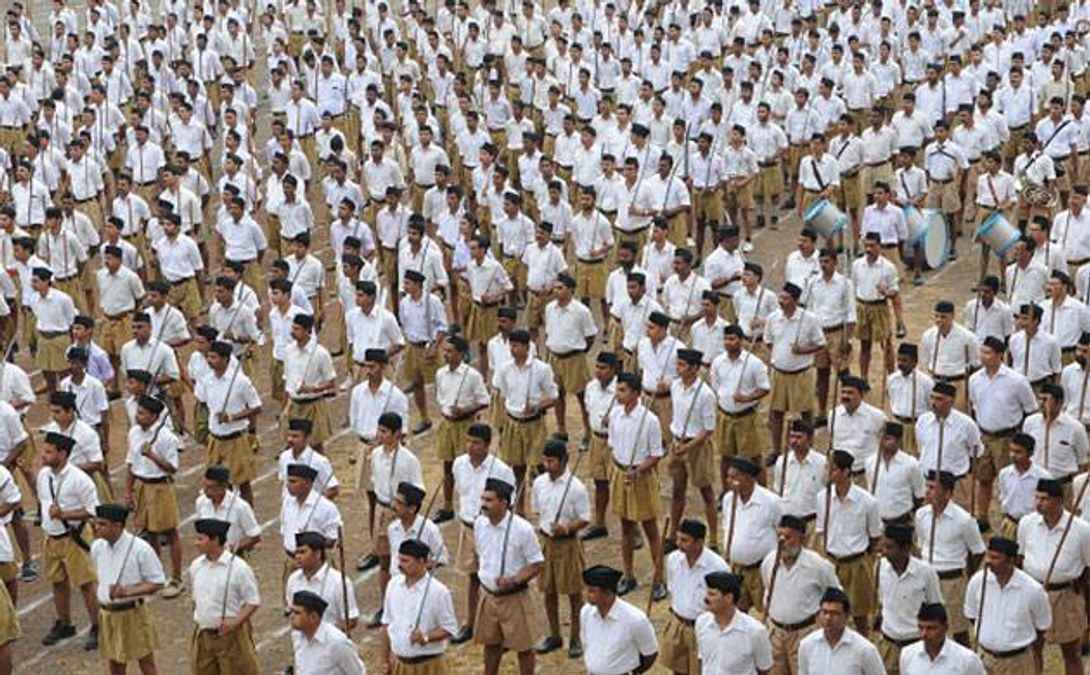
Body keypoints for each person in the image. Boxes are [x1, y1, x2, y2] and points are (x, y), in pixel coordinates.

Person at [1017, 478, 1090, 675]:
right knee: (1032, 648)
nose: (1039, 503)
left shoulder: (1081, 530)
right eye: (1037, 498)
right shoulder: (1026, 523)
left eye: (1045, 499)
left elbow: (1088, 568)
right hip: (1033, 592)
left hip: (1065, 596)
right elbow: (1020, 557)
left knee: (1071, 652)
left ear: (1059, 501)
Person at [450, 423, 515, 644]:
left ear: (487, 445)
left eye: (476, 442)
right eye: (468, 441)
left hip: (492, 528)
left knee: (496, 579)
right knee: (472, 577)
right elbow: (462, 493)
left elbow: (510, 505)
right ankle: (471, 622)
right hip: (469, 527)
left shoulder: (501, 470)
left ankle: (504, 630)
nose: (470, 446)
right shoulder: (459, 464)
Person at [473, 477, 545, 675]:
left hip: (515, 597)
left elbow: (537, 563)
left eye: (489, 500)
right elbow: (482, 554)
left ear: (504, 503)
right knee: (491, 644)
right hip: (488, 595)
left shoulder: (522, 529)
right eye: (483, 499)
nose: (484, 505)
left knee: (524, 647)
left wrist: (514, 579)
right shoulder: (479, 524)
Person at [38, 431, 100, 650]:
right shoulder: (43, 475)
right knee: (57, 582)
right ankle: (65, 623)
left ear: (63, 454)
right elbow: (43, 502)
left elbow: (93, 511)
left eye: (48, 451)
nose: (43, 455)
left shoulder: (80, 479)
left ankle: (97, 626)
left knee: (85, 584)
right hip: (51, 536)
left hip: (74, 537)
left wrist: (64, 515)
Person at [608, 371, 666, 599]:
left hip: (641, 477)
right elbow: (613, 445)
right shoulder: (614, 415)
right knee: (625, 528)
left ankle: (659, 579)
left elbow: (656, 454)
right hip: (621, 473)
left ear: (635, 393)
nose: (618, 395)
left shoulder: (649, 420)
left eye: (623, 390)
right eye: (617, 389)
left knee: (651, 530)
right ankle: (628, 574)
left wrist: (638, 470)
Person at [90, 503, 166, 675]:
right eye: (97, 523)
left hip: (133, 613)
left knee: (146, 662)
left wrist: (127, 592)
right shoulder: (97, 547)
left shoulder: (140, 549)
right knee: (115, 663)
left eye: (102, 524)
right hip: (108, 614)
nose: (97, 527)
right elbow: (98, 576)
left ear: (117, 525)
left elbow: (158, 582)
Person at [531, 438, 590, 657]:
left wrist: (566, 528)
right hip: (547, 541)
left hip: (568, 544)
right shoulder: (539, 483)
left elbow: (585, 518)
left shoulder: (576, 488)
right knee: (548, 590)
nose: (547, 465)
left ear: (564, 461)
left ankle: (575, 637)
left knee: (574, 592)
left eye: (551, 461)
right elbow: (537, 510)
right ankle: (554, 634)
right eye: (545, 460)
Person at [914, 470, 985, 646]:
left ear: (947, 493)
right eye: (927, 487)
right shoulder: (921, 515)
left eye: (933, 488)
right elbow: (922, 544)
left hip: (952, 580)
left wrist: (965, 574)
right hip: (927, 578)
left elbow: (977, 551)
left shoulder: (964, 520)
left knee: (958, 630)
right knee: (926, 629)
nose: (928, 492)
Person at [815, 450, 882, 635]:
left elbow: (875, 536)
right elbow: (821, 530)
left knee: (860, 615)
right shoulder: (823, 498)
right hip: (832, 562)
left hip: (857, 563)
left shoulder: (868, 502)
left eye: (833, 469)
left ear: (846, 472)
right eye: (828, 468)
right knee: (829, 614)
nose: (829, 473)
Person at [124, 395, 184, 599]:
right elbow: (131, 463)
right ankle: (155, 575)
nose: (137, 416)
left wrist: (153, 456)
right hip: (142, 485)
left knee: (169, 532)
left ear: (154, 416)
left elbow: (172, 468)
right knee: (149, 532)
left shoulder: (166, 437)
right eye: (137, 412)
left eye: (142, 413)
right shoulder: (133, 433)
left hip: (160, 487)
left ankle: (177, 578)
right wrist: (128, 491)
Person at [963, 537, 1051, 675]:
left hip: (1018, 662)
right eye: (988, 556)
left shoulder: (1033, 590)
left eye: (995, 558)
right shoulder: (977, 582)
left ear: (1011, 561)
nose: (988, 562)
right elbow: (972, 616)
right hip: (986, 659)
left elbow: (1042, 627)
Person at [188, 518, 261, 675]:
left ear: (215, 539)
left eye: (201, 539)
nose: (196, 543)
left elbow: (253, 601)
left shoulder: (238, 568)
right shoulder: (196, 567)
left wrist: (234, 623)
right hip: (204, 636)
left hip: (231, 637)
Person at [380, 539, 459, 674]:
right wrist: (384, 660)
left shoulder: (438, 591)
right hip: (399, 664)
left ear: (422, 562)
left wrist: (426, 637)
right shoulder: (393, 585)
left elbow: (450, 628)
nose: (400, 565)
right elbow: (386, 625)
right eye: (400, 560)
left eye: (406, 561)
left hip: (429, 666)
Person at [198, 340, 262, 506]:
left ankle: (248, 515)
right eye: (209, 357)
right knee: (219, 483)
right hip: (215, 439)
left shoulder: (241, 381)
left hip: (235, 439)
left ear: (226, 359)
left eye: (214, 357)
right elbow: (204, 402)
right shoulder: (206, 380)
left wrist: (233, 417)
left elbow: (256, 407)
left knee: (242, 482)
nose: (210, 361)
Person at [661, 519, 729, 674]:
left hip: (704, 629)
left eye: (685, 540)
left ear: (699, 542)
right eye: (678, 538)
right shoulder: (673, 560)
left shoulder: (717, 567)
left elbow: (724, 605)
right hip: (679, 624)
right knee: (677, 670)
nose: (679, 544)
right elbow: (672, 588)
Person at [433, 336, 489, 522]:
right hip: (447, 423)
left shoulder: (472, 376)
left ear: (461, 354)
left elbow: (484, 400)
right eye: (445, 351)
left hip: (465, 424)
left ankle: (472, 504)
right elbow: (440, 397)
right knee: (447, 465)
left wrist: (465, 410)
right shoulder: (440, 374)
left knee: (469, 465)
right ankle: (448, 506)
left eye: (450, 351)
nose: (446, 355)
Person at [666, 349, 718, 549]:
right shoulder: (676, 387)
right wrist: (676, 443)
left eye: (682, 365)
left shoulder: (705, 394)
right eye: (677, 364)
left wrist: (688, 446)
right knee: (677, 491)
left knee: (706, 492)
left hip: (697, 446)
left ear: (695, 368)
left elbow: (708, 429)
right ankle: (672, 536)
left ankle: (713, 539)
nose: (678, 369)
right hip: (677, 442)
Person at [875, 523, 942, 673]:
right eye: (884, 546)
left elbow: (936, 608)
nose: (884, 552)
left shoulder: (926, 573)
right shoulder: (880, 568)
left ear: (905, 549)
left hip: (917, 646)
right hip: (888, 646)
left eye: (890, 547)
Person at [579, 564, 659, 675]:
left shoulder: (635, 619)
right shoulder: (586, 612)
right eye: (586, 589)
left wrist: (632, 672)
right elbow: (586, 643)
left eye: (592, 591)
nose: (586, 595)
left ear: (607, 593)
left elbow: (650, 654)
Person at [694, 570, 773, 675]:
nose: (706, 599)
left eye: (712, 594)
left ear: (728, 598)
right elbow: (703, 660)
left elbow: (764, 669)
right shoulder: (702, 623)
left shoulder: (755, 631)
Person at [797, 587, 884, 674]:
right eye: (824, 612)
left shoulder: (865, 650)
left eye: (834, 613)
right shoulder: (807, 646)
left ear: (846, 616)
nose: (828, 618)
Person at [285, 532, 358, 633]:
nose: (297, 556)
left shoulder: (338, 582)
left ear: (318, 554)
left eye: (302, 552)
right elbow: (292, 612)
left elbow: (351, 620)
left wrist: (323, 634)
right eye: (296, 553)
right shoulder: (293, 579)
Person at [283, 314, 336, 452]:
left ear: (307, 331)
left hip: (313, 405)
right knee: (295, 445)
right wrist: (286, 406)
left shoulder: (320, 353)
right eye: (293, 328)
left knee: (316, 446)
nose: (293, 332)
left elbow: (331, 382)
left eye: (297, 329)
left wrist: (311, 389)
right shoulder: (288, 351)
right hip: (294, 404)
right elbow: (287, 380)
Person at [289, 590, 366, 675]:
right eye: (291, 611)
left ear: (313, 617)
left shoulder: (336, 642)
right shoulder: (297, 636)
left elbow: (357, 672)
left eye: (297, 613)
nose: (291, 616)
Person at [864, 423, 925, 527]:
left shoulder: (911, 464)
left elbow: (919, 494)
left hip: (902, 522)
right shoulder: (870, 462)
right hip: (878, 522)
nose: (882, 442)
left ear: (898, 441)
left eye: (887, 439)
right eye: (881, 438)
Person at [899, 603, 985, 675]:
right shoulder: (907, 655)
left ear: (945, 627)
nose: (924, 634)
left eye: (931, 628)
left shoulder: (967, 660)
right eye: (921, 628)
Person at [193, 466, 261, 555]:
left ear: (223, 487)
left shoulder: (240, 507)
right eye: (204, 485)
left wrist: (232, 548)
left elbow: (254, 537)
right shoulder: (200, 502)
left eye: (210, 487)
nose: (205, 490)